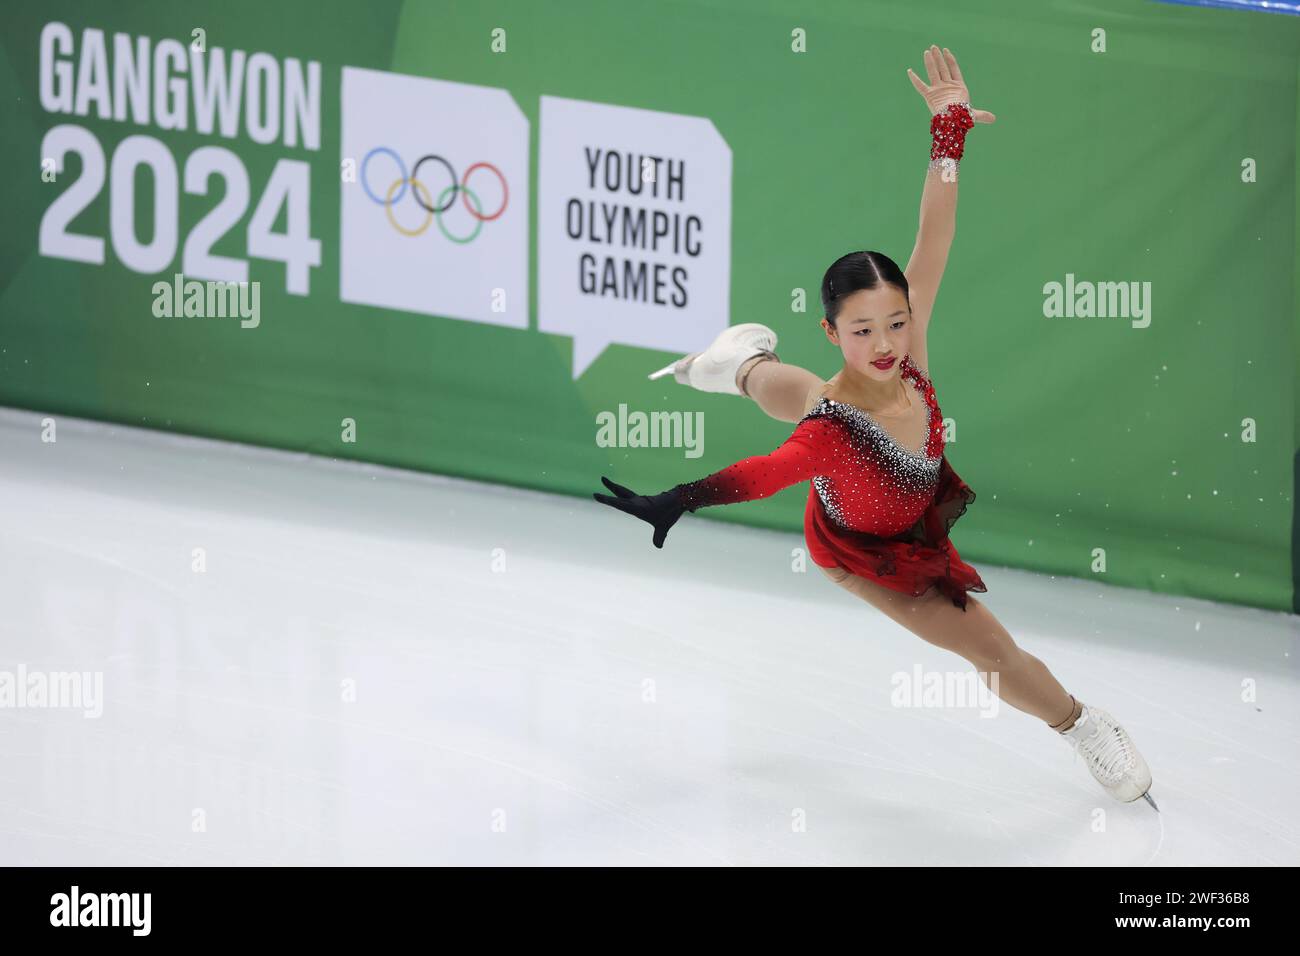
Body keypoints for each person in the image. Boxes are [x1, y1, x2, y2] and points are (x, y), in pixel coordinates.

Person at [595, 45, 1158, 811]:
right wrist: (676, 498)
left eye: (896, 320)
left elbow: (936, 235)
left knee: (785, 385)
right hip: (862, 550)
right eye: (863, 331)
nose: (888, 342)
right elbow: (762, 473)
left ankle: (736, 361)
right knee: (987, 646)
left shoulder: (904, 354)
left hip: (900, 496)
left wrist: (948, 135)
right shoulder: (833, 428)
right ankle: (1079, 723)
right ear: (831, 331)